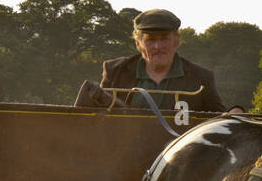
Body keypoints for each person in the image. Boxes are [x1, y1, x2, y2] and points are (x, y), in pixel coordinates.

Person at [74, 8, 241, 113]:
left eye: (164, 39)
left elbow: (217, 122)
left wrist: (236, 112)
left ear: (176, 41)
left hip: (181, 165)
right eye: (150, 40)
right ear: (138, 43)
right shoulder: (115, 70)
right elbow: (97, 118)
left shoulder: (201, 78)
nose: (157, 46)